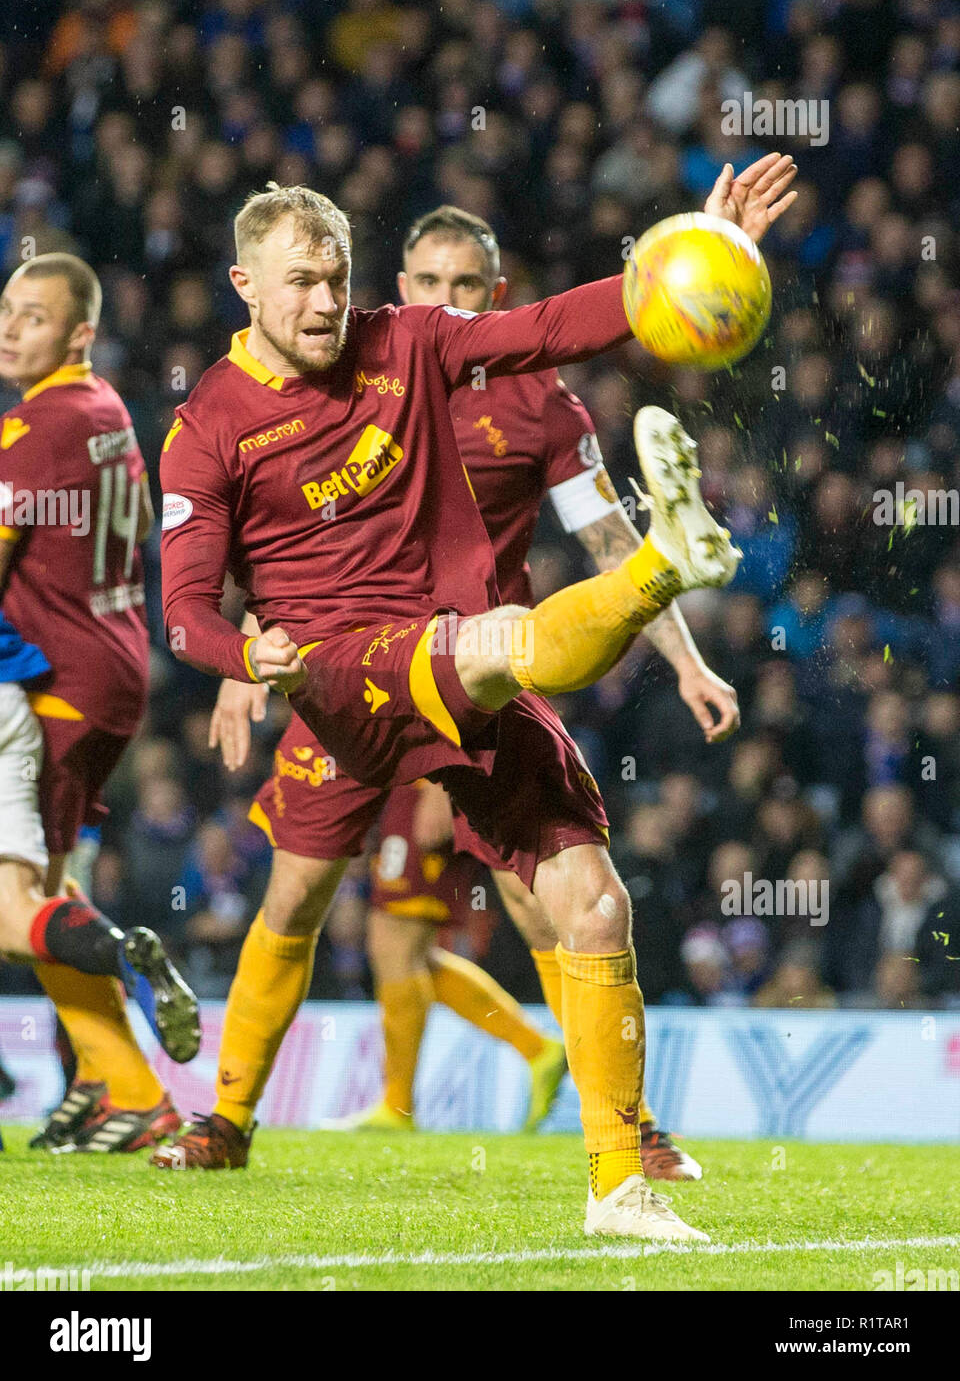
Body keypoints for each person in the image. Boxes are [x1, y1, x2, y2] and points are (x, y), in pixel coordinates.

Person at [151, 165, 791, 1241]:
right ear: (243, 285)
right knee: (302, 895)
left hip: (454, 645)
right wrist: (239, 653)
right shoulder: (206, 427)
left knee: (592, 901)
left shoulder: (407, 341)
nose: (323, 302)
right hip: (336, 670)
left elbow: (549, 326)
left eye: (336, 278)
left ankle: (616, 1186)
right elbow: (180, 608)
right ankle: (223, 1116)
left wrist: (679, 263)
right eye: (301, 281)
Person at [0, 254, 201, 1152]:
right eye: (6, 310)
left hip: (54, 680)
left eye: (33, 317)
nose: (11, 329)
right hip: (113, 666)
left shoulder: (31, 430)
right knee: (46, 886)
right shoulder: (107, 407)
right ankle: (109, 1083)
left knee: (24, 909)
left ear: (80, 330)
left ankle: (119, 962)